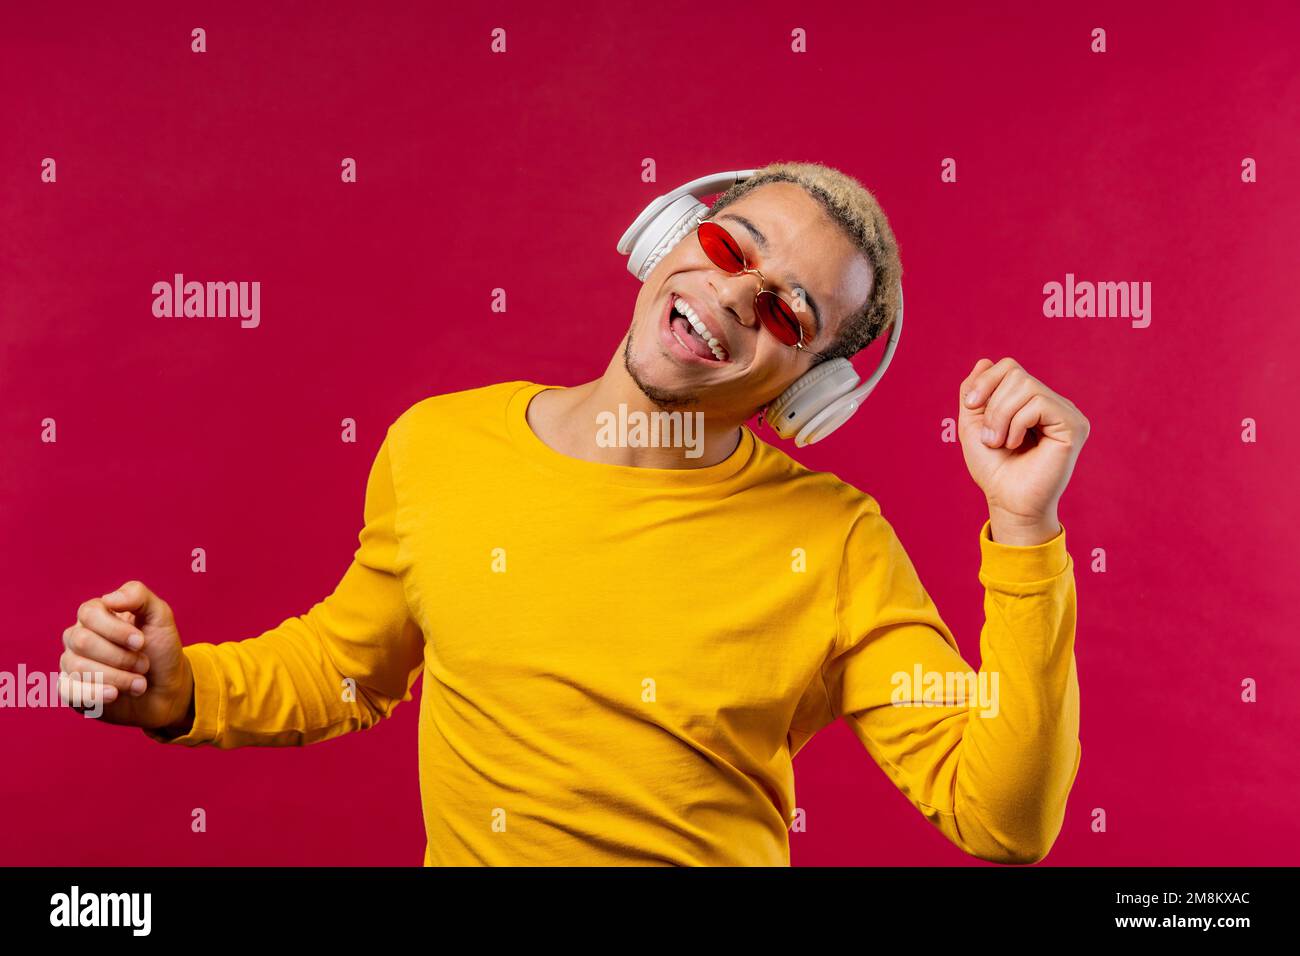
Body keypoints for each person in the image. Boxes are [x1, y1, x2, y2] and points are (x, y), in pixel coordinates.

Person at [59, 161, 1089, 866]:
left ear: (804, 392)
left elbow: (1001, 817)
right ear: (669, 238)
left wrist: (1025, 532)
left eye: (786, 310)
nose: (735, 297)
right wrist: (180, 689)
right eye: (734, 249)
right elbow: (345, 667)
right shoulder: (439, 443)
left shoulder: (837, 541)